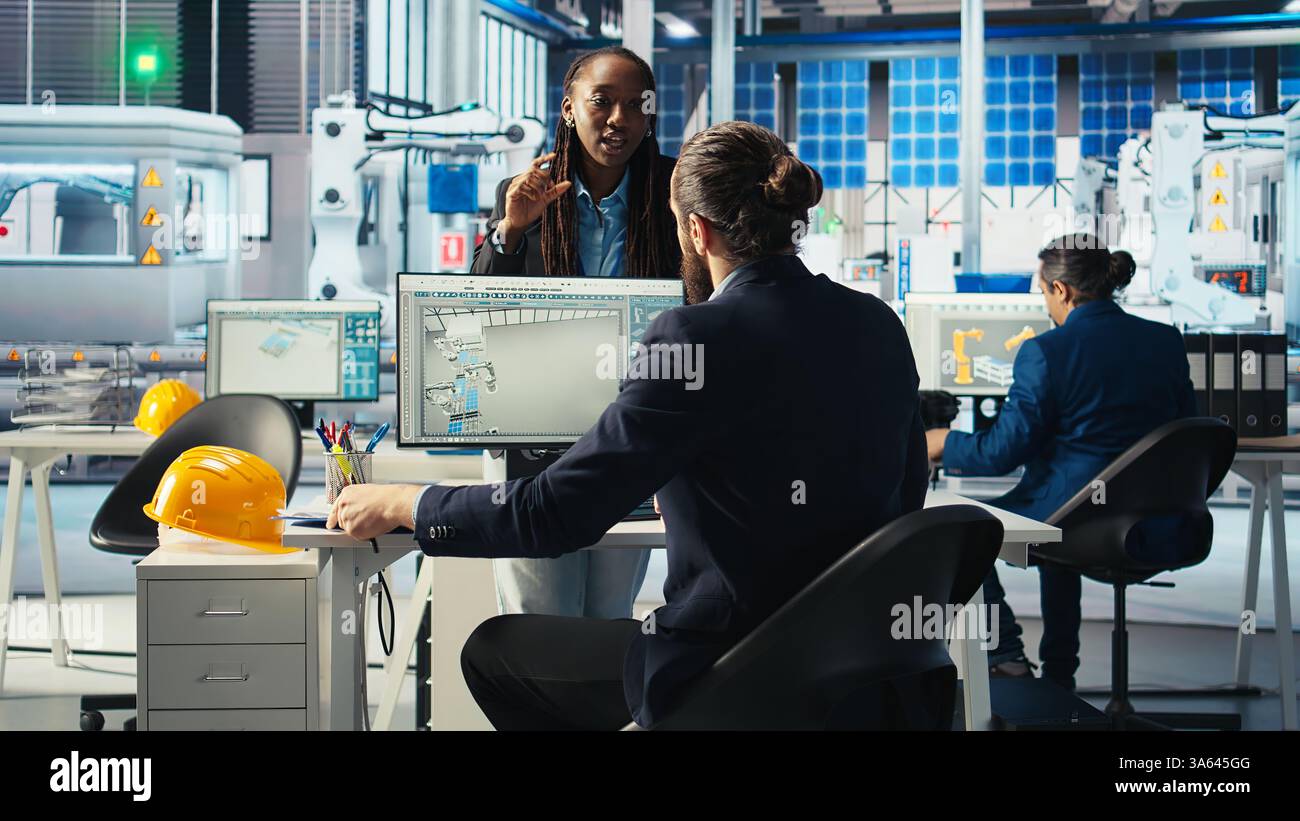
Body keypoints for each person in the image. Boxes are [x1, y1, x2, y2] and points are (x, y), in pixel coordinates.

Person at [328, 121, 930, 730]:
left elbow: (555, 513)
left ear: (696, 230)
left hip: (734, 668)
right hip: (862, 671)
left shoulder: (694, 336)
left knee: (495, 650)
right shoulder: (878, 323)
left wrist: (410, 502)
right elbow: (905, 492)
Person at [926, 234, 1195, 691]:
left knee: (959, 528)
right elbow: (1185, 432)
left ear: (1061, 291)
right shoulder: (1165, 341)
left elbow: (999, 454)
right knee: (1061, 506)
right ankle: (1055, 679)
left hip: (1077, 520)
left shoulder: (1046, 352)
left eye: (1043, 292)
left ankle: (1007, 655)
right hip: (1159, 522)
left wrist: (943, 441)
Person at [471, 46, 681, 621]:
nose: (619, 119)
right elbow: (480, 305)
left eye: (635, 105)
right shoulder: (530, 190)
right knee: (539, 615)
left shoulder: (673, 192)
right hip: (535, 428)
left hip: (630, 428)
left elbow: (697, 308)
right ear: (568, 109)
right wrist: (512, 228)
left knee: (610, 614)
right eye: (601, 102)